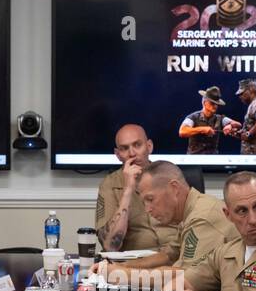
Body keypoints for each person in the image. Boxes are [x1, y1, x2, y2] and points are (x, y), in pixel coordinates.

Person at [92, 161, 233, 275]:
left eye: (150, 199)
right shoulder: (190, 212)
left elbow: (185, 278)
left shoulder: (202, 218)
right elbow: (168, 255)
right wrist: (119, 266)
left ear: (174, 188)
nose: (147, 210)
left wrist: (122, 274)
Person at [95, 124, 167, 253]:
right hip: (134, 265)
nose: (132, 153)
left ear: (149, 146)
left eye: (137, 145)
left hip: (175, 261)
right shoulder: (109, 184)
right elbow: (110, 246)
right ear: (117, 155)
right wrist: (128, 189)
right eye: (124, 148)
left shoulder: (170, 177)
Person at [179, 86, 240, 155]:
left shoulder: (220, 118)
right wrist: (201, 129)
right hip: (194, 158)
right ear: (204, 103)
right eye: (212, 103)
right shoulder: (193, 117)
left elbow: (238, 124)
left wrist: (230, 125)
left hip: (212, 159)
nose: (215, 106)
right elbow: (182, 131)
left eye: (216, 104)